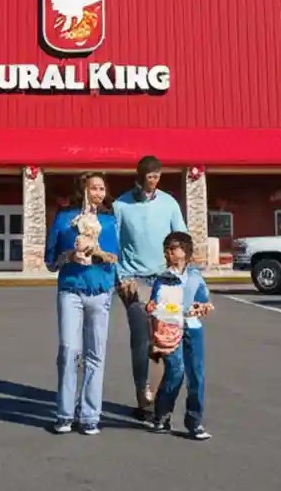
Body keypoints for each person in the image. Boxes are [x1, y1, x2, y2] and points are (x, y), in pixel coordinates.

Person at [44, 171, 120, 435]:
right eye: (93, 188)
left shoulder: (110, 221)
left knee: (95, 354)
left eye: (102, 188)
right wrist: (69, 255)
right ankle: (64, 413)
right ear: (83, 190)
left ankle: (89, 415)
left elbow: (116, 257)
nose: (98, 193)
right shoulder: (65, 218)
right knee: (68, 350)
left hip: (100, 293)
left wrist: (100, 254)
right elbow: (50, 261)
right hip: (71, 292)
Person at [112, 155, 187, 422]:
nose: (152, 182)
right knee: (141, 339)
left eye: (156, 177)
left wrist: (182, 272)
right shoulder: (121, 205)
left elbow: (181, 239)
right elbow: (113, 244)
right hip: (133, 279)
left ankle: (153, 400)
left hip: (163, 280)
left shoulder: (169, 203)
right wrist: (121, 276)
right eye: (148, 177)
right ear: (139, 176)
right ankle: (142, 396)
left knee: (161, 338)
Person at [146, 231, 214, 440]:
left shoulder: (195, 276)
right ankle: (162, 416)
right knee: (175, 371)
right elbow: (154, 307)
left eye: (173, 249)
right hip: (171, 331)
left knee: (196, 376)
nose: (168, 253)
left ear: (184, 251)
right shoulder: (163, 278)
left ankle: (194, 421)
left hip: (193, 329)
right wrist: (168, 312)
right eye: (166, 249)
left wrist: (203, 307)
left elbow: (205, 302)